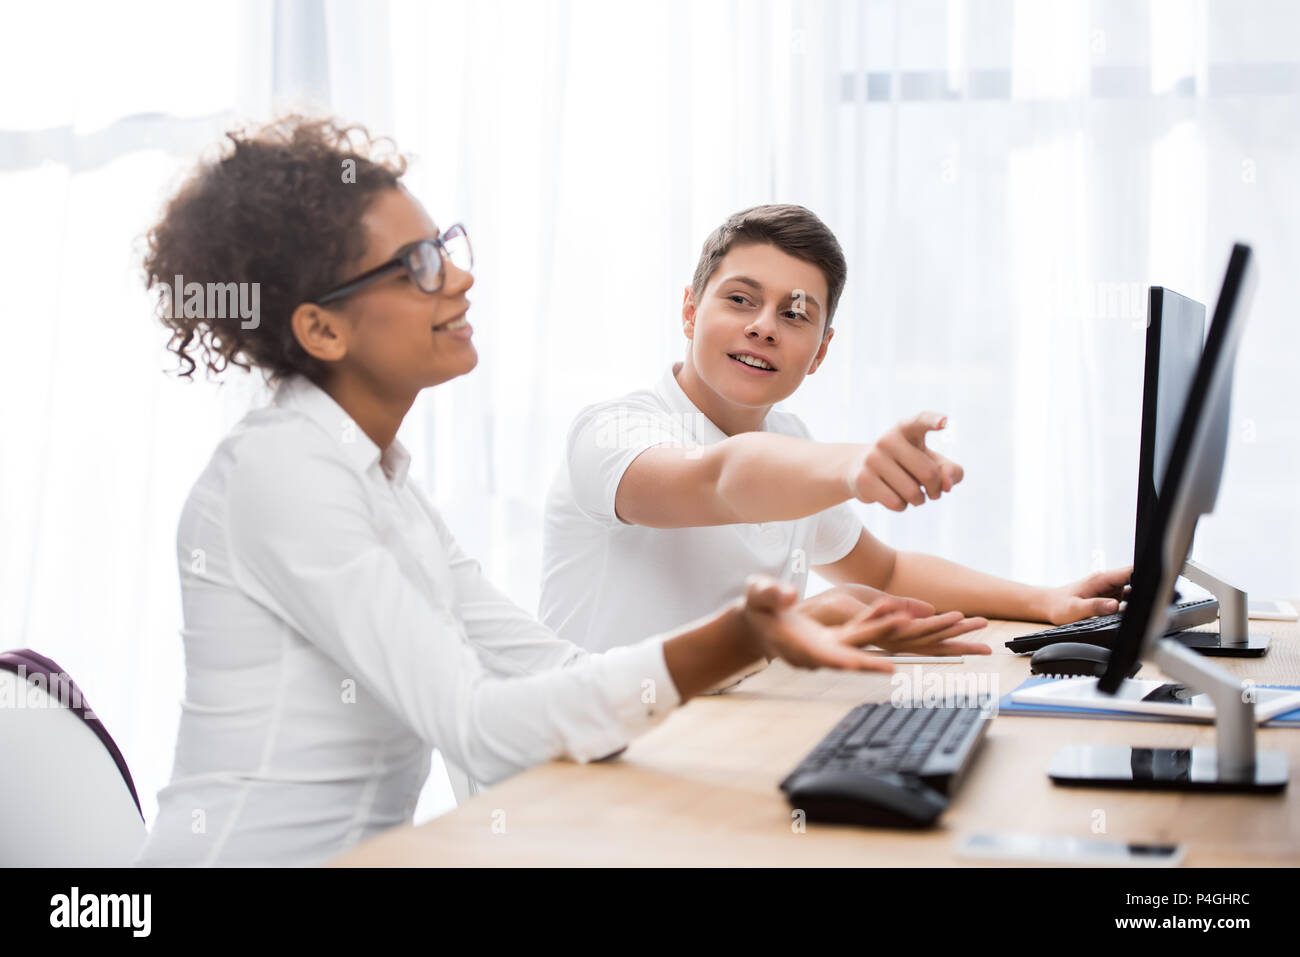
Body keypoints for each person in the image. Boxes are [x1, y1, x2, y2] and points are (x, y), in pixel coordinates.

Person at [131, 119, 959, 868]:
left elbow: (554, 671)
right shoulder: (284, 476)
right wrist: (743, 637)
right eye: (419, 264)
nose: (459, 278)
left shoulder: (384, 485)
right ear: (322, 329)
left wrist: (762, 637)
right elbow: (478, 721)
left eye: (446, 245)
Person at [539, 204, 1131, 654]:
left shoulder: (792, 441)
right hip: (583, 766)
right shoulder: (612, 432)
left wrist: (1047, 601)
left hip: (706, 734)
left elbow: (885, 572)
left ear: (820, 352)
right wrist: (852, 467)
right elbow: (716, 481)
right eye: (741, 300)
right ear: (691, 312)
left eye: (795, 314)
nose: (765, 327)